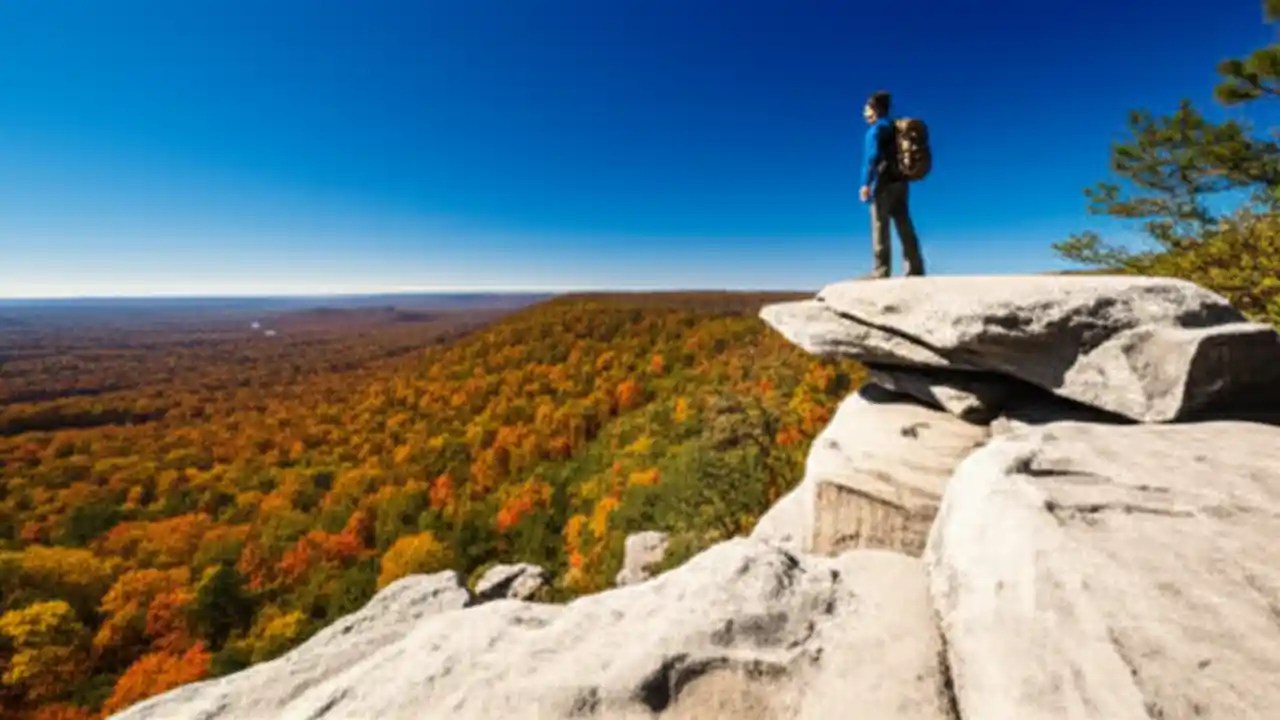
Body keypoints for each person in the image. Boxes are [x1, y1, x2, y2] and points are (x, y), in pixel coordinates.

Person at [859, 91, 925, 277]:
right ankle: (915, 268)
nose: (864, 113)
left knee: (880, 226)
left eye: (866, 108)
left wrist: (865, 183)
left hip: (883, 182)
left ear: (876, 110)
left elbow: (871, 157)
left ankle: (881, 270)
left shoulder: (875, 131)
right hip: (901, 182)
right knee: (904, 224)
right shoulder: (894, 128)